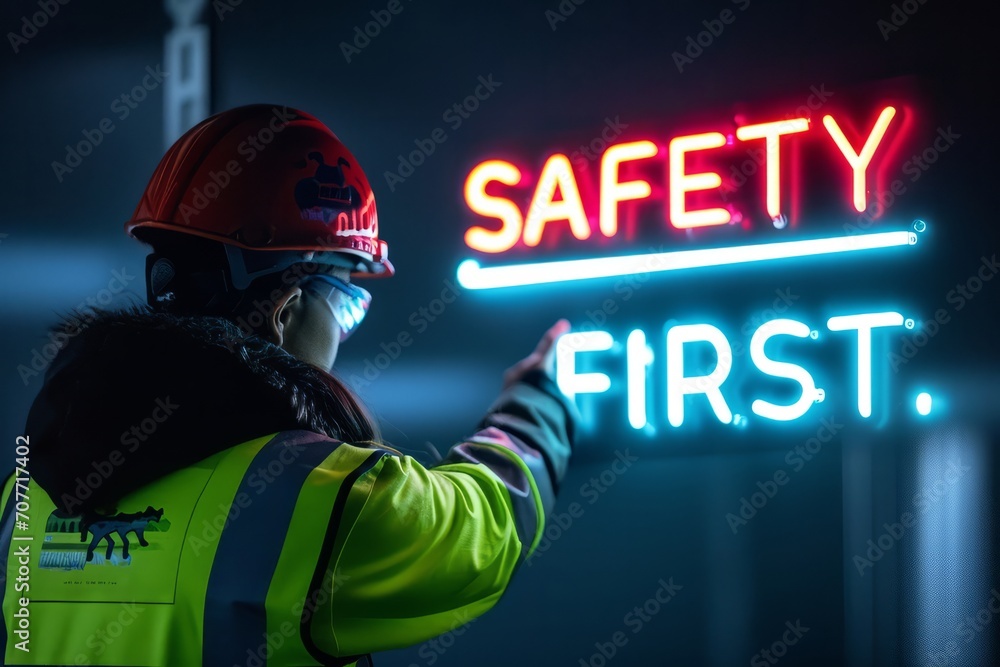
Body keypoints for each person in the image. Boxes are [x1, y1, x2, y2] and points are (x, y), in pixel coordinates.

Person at [0, 104, 576, 666]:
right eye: (348, 304)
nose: (345, 335)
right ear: (286, 312)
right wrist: (535, 402)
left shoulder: (24, 500)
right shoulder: (314, 496)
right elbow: (485, 531)